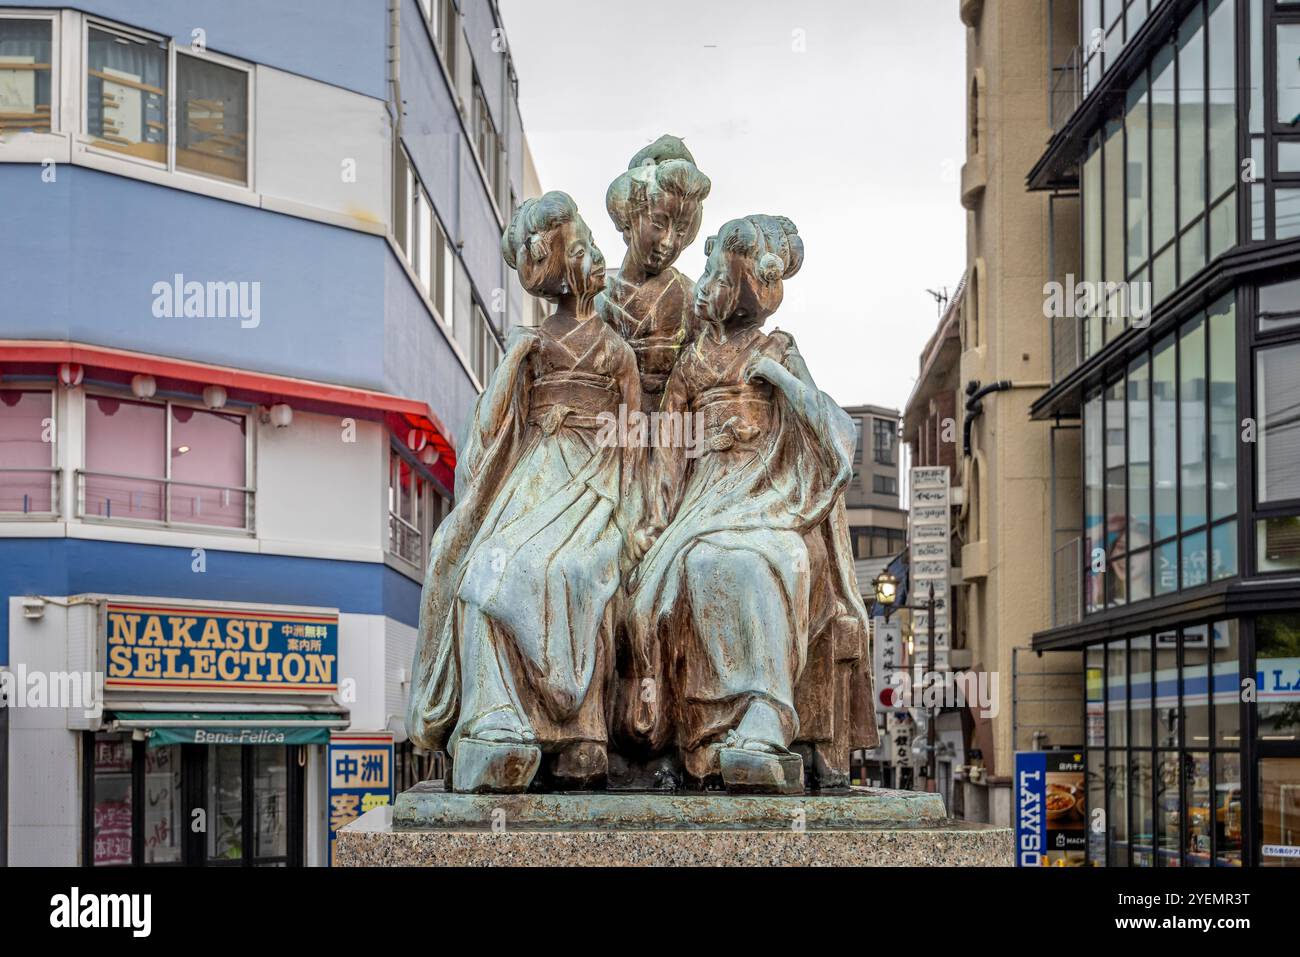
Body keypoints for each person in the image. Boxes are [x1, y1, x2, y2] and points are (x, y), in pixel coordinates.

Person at [625, 214, 876, 793]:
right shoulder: (691, 363)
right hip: (705, 499)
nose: (711, 284)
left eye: (721, 274)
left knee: (775, 554)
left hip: (768, 492)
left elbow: (835, 431)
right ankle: (712, 731)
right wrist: (653, 520)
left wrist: (780, 380)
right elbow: (669, 454)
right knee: (699, 563)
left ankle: (767, 714)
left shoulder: (778, 349)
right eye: (711, 271)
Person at [406, 192, 641, 793]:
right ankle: (496, 722)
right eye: (581, 251)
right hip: (534, 476)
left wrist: (636, 513)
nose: (595, 263)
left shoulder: (617, 351)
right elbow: (488, 430)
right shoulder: (526, 344)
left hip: (596, 482)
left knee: (574, 569)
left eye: (591, 249)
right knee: (484, 570)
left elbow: (638, 445)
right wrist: (513, 362)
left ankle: (578, 731)